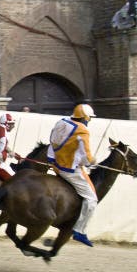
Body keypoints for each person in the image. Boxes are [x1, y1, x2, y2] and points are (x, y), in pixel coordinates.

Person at [46, 103, 98, 247]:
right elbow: (87, 158)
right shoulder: (83, 131)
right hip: (69, 169)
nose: (90, 120)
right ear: (85, 117)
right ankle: (79, 231)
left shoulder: (61, 122)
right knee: (92, 199)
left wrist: (54, 160)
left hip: (55, 165)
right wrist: (92, 162)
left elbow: (53, 142)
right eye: (89, 118)